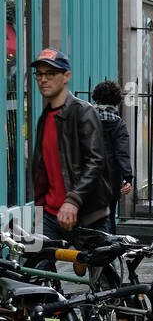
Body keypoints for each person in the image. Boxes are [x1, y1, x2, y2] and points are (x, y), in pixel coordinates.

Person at [29, 48, 112, 255]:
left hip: (87, 215)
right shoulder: (44, 118)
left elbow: (96, 161)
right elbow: (42, 170)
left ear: (66, 76)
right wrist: (38, 213)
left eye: (50, 74)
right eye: (39, 74)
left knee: (103, 281)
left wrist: (73, 200)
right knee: (35, 271)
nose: (43, 80)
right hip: (49, 216)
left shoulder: (83, 112)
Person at [91, 79, 133, 230]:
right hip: (111, 178)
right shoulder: (118, 124)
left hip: (88, 176)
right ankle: (109, 248)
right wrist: (127, 178)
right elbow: (122, 153)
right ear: (116, 100)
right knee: (109, 216)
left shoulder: (86, 119)